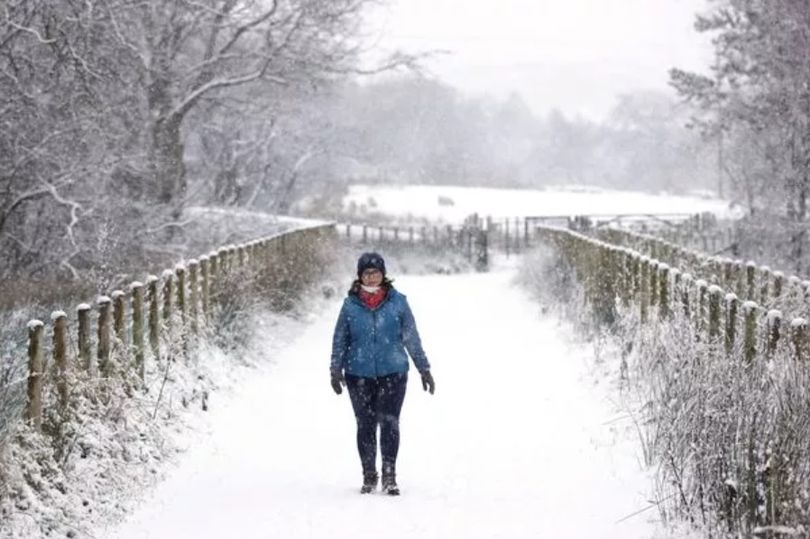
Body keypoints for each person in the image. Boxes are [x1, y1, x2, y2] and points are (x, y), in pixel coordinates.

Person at [330, 252, 435, 496]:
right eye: (366, 273)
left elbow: (411, 337)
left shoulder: (398, 302)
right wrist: (335, 369)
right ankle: (369, 474)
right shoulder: (350, 306)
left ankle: (389, 475)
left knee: (389, 423)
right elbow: (340, 339)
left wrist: (424, 368)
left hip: (393, 372)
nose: (371, 277)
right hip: (358, 373)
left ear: (383, 274)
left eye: (376, 272)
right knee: (365, 425)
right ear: (359, 276)